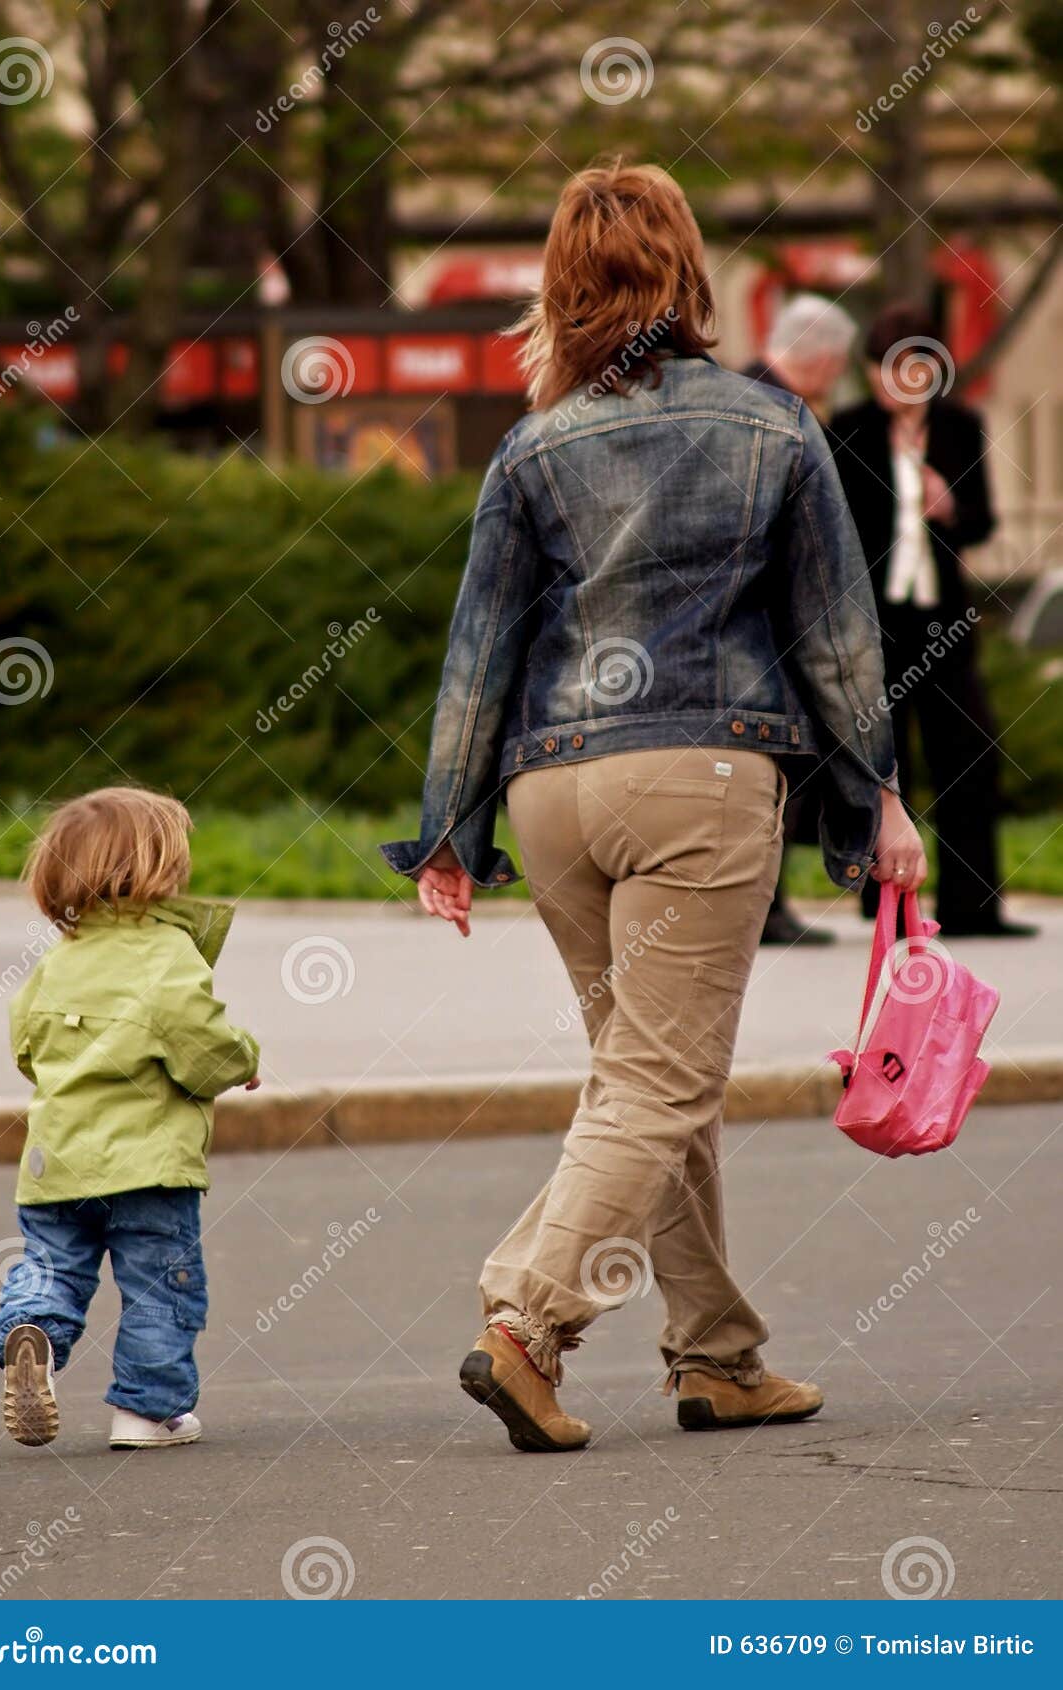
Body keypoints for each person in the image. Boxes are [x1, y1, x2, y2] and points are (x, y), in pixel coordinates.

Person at [381, 162, 925, 1452]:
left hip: (551, 788)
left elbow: (478, 654)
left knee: (646, 1075)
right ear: (688, 272)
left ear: (559, 290)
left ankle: (716, 1357)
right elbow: (837, 641)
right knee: (659, 1080)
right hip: (702, 771)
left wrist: (450, 828)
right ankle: (526, 1320)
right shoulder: (770, 426)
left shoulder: (530, 446)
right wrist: (875, 804)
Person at [0, 787, 261, 1451]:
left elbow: (25, 1046)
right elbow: (202, 1048)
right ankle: (147, 1412)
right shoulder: (167, 956)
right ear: (160, 871)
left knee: (54, 1266)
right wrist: (244, 1059)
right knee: (160, 1289)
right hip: (149, 1167)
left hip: (57, 1162)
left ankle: (33, 1331)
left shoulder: (58, 960)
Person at [830, 304, 1035, 938]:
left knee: (968, 754)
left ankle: (976, 905)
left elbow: (983, 522)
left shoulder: (958, 427)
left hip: (943, 622)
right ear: (871, 373)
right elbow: (836, 530)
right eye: (889, 370)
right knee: (884, 763)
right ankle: (881, 904)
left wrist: (948, 507)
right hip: (877, 625)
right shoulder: (849, 430)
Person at [742, 293, 860, 947]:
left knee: (776, 770)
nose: (836, 380)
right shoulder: (776, 408)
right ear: (818, 358)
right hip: (769, 622)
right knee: (779, 769)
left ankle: (767, 902)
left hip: (754, 618)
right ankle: (766, 906)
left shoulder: (747, 389)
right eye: (837, 365)